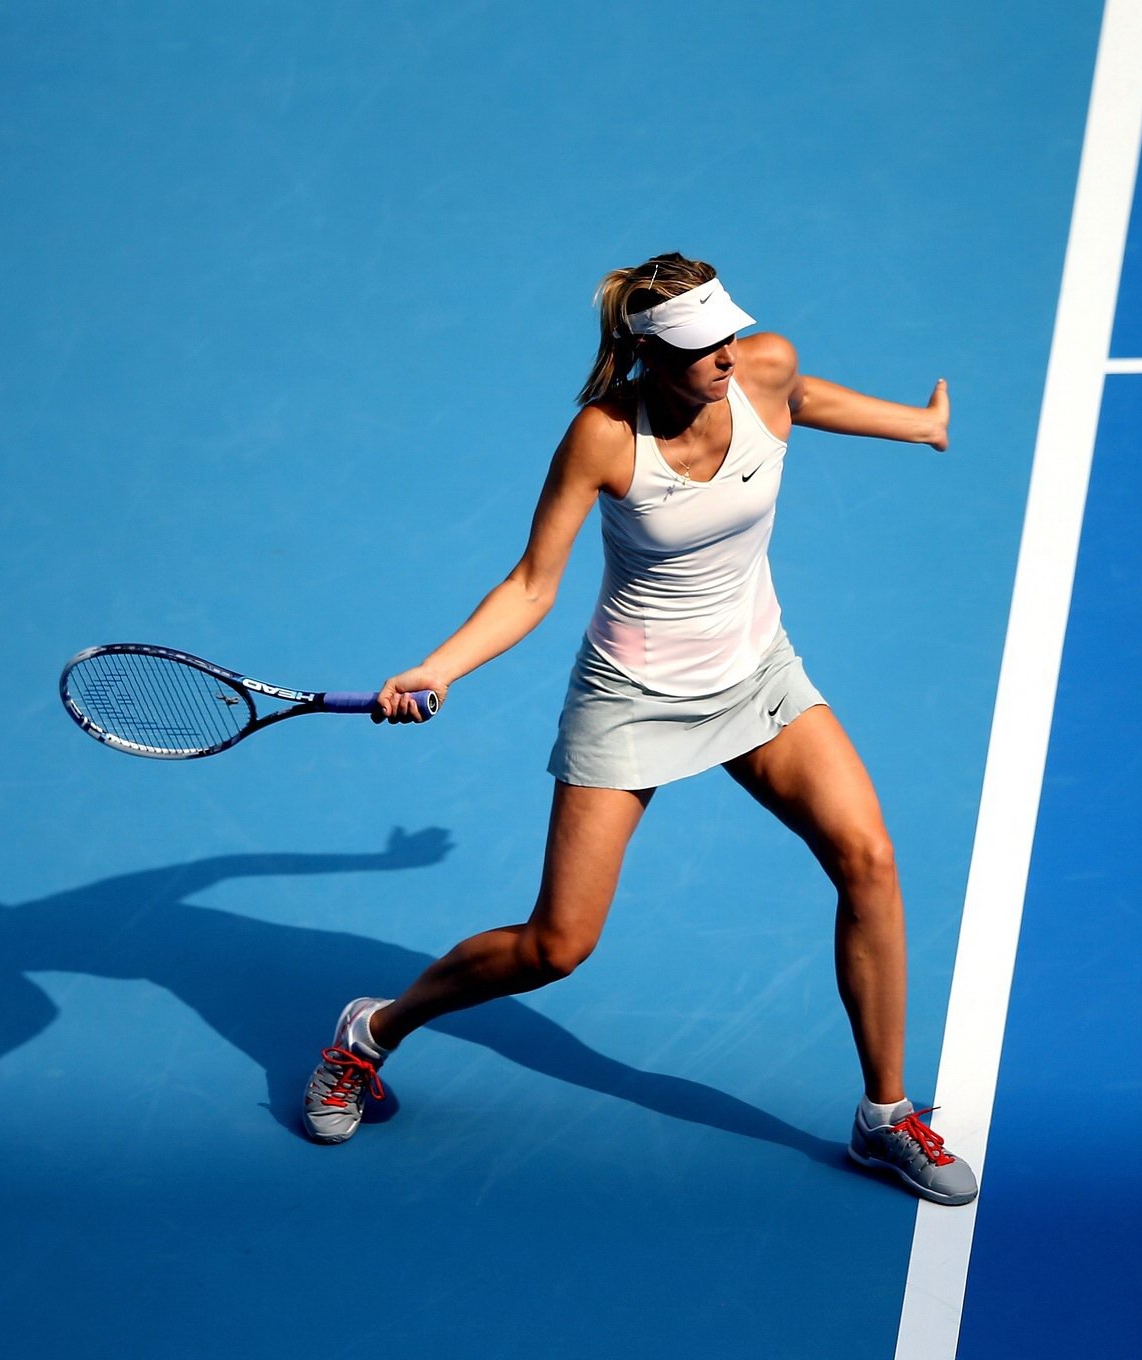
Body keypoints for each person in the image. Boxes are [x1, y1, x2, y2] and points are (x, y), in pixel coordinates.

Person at [301, 252, 975, 1205]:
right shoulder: (604, 438)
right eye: (704, 348)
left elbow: (801, 394)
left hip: (758, 676)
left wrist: (920, 424)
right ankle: (372, 1032)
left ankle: (886, 1118)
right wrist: (439, 666)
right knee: (555, 948)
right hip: (633, 698)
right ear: (651, 357)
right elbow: (535, 582)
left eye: (731, 335)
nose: (727, 358)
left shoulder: (758, 367)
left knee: (867, 857)